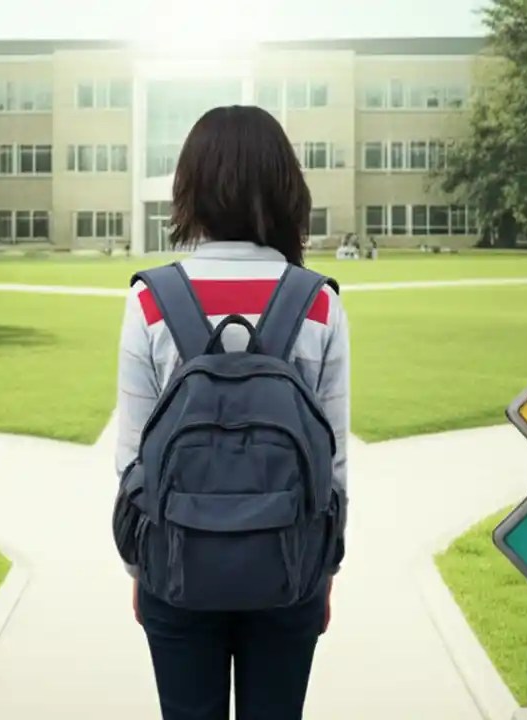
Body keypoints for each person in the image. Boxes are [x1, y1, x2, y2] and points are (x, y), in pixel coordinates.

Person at [113, 105, 350, 720]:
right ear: (286, 186)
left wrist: (141, 567)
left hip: (176, 563)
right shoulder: (318, 301)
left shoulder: (151, 299)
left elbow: (133, 458)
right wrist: (324, 571)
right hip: (289, 566)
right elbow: (333, 463)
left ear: (190, 187)